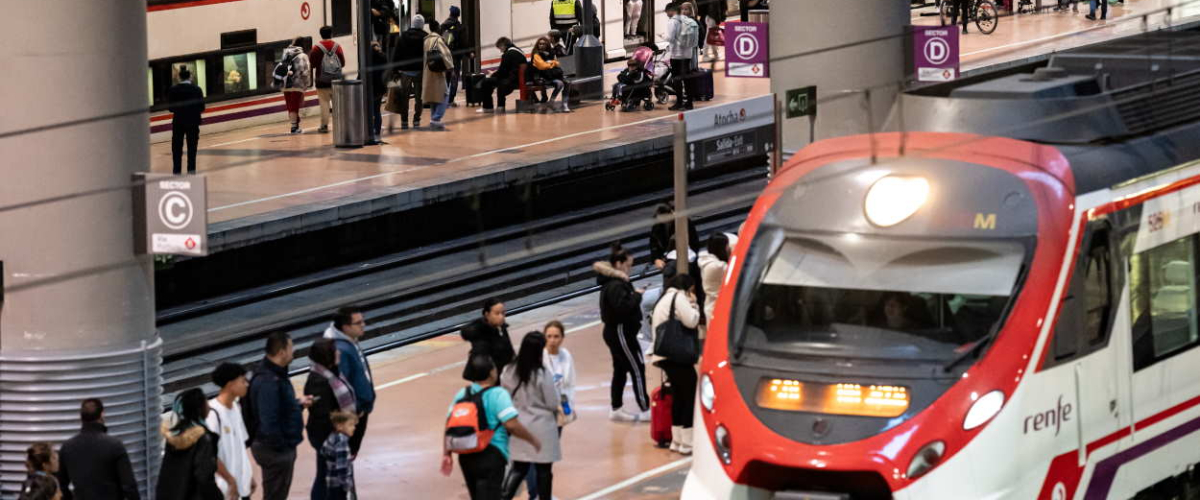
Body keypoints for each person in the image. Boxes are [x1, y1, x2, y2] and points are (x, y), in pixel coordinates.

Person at [443, 353, 541, 500]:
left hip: (466, 456)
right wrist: (532, 439)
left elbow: (449, 425)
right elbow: (511, 424)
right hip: (491, 454)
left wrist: (447, 453)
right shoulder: (498, 394)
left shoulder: (463, 393)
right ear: (491, 372)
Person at [247, 331, 311, 500]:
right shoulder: (270, 381)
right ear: (282, 352)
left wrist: (297, 405)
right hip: (274, 450)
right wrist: (283, 447)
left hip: (274, 447)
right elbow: (269, 420)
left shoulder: (274, 373)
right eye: (291, 347)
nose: (294, 350)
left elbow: (277, 408)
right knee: (275, 495)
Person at [499, 332, 562, 500]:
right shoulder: (542, 373)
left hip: (518, 425)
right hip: (542, 426)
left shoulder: (508, 370)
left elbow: (504, 396)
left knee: (518, 468)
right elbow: (551, 401)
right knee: (544, 471)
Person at [595, 243, 651, 422]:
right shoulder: (615, 286)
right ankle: (645, 408)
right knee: (637, 367)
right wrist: (637, 295)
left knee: (620, 369)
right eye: (629, 264)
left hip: (618, 331)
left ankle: (616, 407)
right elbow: (623, 308)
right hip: (621, 331)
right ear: (618, 264)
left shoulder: (615, 283)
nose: (630, 268)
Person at [650, 274, 701, 455]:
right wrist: (694, 305)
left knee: (679, 396)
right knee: (689, 394)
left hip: (664, 355)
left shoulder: (663, 299)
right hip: (677, 355)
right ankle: (687, 442)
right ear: (687, 288)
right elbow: (692, 320)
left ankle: (677, 440)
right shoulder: (679, 298)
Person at [56, 399, 139, 500]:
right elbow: (129, 486)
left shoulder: (67, 447)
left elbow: (62, 485)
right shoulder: (114, 445)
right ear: (102, 415)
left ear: (81, 417)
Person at [305, 338, 356, 500]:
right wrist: (342, 426)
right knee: (327, 476)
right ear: (327, 356)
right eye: (335, 351)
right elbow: (322, 415)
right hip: (328, 437)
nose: (338, 352)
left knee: (327, 474)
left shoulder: (330, 372)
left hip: (335, 433)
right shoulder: (318, 381)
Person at [322, 306, 375, 457]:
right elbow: (340, 386)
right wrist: (357, 409)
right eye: (358, 323)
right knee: (343, 459)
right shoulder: (341, 350)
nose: (363, 325)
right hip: (353, 415)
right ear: (345, 327)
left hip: (357, 412)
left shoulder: (348, 341)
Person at [158, 388, 223, 500]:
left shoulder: (173, 437)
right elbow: (204, 476)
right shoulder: (203, 439)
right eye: (205, 402)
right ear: (199, 409)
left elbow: (166, 477)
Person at [206, 363, 255, 500]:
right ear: (230, 384)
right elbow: (210, 455)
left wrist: (248, 475)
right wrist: (230, 481)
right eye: (242, 381)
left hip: (240, 486)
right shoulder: (212, 413)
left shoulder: (235, 407)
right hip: (224, 489)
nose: (246, 384)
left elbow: (240, 446)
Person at [388, 14, 427, 129]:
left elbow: (396, 54)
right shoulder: (425, 37)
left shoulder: (403, 37)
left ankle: (404, 121)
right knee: (419, 98)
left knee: (404, 98)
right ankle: (416, 120)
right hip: (420, 72)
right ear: (422, 25)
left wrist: (394, 70)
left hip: (405, 72)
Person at [462, 298, 517, 372]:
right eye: (497, 314)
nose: (501, 317)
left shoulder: (501, 326)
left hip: (504, 371)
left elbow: (508, 346)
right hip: (490, 375)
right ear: (487, 314)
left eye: (503, 313)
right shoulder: (480, 332)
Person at [168, 66, 205, 175]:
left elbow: (171, 108)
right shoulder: (197, 89)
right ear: (190, 76)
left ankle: (176, 171)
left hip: (178, 123)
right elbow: (202, 107)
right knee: (192, 149)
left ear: (179, 77)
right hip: (193, 122)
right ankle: (191, 171)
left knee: (177, 149)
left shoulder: (173, 90)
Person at [310, 26, 346, 134]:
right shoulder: (337, 47)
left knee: (324, 105)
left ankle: (324, 126)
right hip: (336, 81)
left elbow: (312, 64)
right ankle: (340, 125)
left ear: (320, 34)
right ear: (331, 34)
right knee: (338, 104)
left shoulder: (316, 48)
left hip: (322, 81)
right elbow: (342, 63)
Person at [665, 2, 700, 110]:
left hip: (676, 55)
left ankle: (679, 102)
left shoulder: (673, 22)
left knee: (677, 80)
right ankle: (689, 103)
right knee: (687, 79)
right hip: (688, 54)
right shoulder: (692, 21)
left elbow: (670, 38)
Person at [477, 38, 525, 114]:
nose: (500, 50)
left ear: (503, 45)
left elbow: (502, 72)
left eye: (499, 48)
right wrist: (495, 73)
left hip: (511, 82)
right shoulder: (518, 51)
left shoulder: (507, 54)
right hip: (519, 79)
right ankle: (500, 107)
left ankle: (488, 107)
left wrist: (491, 75)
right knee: (496, 81)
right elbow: (510, 68)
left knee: (486, 82)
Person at [423, 20, 455, 130]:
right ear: (437, 28)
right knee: (445, 94)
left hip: (428, 70)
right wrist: (450, 67)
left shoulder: (426, 40)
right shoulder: (438, 39)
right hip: (438, 71)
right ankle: (436, 119)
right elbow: (446, 54)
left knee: (433, 96)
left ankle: (433, 119)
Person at [323, 411, 359, 500]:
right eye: (350, 425)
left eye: (354, 425)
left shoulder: (332, 437)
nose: (354, 428)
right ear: (339, 426)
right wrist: (347, 486)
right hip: (339, 486)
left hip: (331, 482)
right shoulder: (342, 442)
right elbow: (342, 468)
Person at [698, 232, 732, 321]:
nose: (728, 247)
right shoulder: (717, 266)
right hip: (719, 306)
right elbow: (736, 273)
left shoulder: (706, 260)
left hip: (711, 304)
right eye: (727, 245)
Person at [530, 37, 570, 113]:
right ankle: (551, 102)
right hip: (542, 77)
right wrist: (552, 63)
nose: (541, 45)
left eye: (543, 44)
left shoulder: (551, 52)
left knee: (567, 83)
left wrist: (550, 63)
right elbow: (542, 66)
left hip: (553, 75)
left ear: (547, 45)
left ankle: (564, 104)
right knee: (559, 84)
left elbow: (557, 63)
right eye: (540, 44)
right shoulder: (536, 54)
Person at [280, 38, 312, 134]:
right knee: (295, 105)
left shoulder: (285, 53)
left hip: (285, 83)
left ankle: (295, 124)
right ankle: (294, 127)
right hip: (297, 84)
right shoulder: (303, 56)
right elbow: (305, 72)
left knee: (290, 105)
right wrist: (306, 84)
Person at [443, 6, 467, 106]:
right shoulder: (460, 27)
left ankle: (443, 98)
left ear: (450, 14)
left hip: (445, 56)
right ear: (458, 15)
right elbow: (463, 42)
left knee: (444, 77)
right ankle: (451, 100)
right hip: (456, 57)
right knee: (454, 77)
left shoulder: (443, 25)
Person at [366, 40, 389, 144]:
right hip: (380, 87)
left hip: (369, 87)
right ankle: (377, 130)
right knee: (377, 109)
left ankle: (369, 130)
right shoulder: (383, 56)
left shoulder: (367, 57)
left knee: (368, 110)